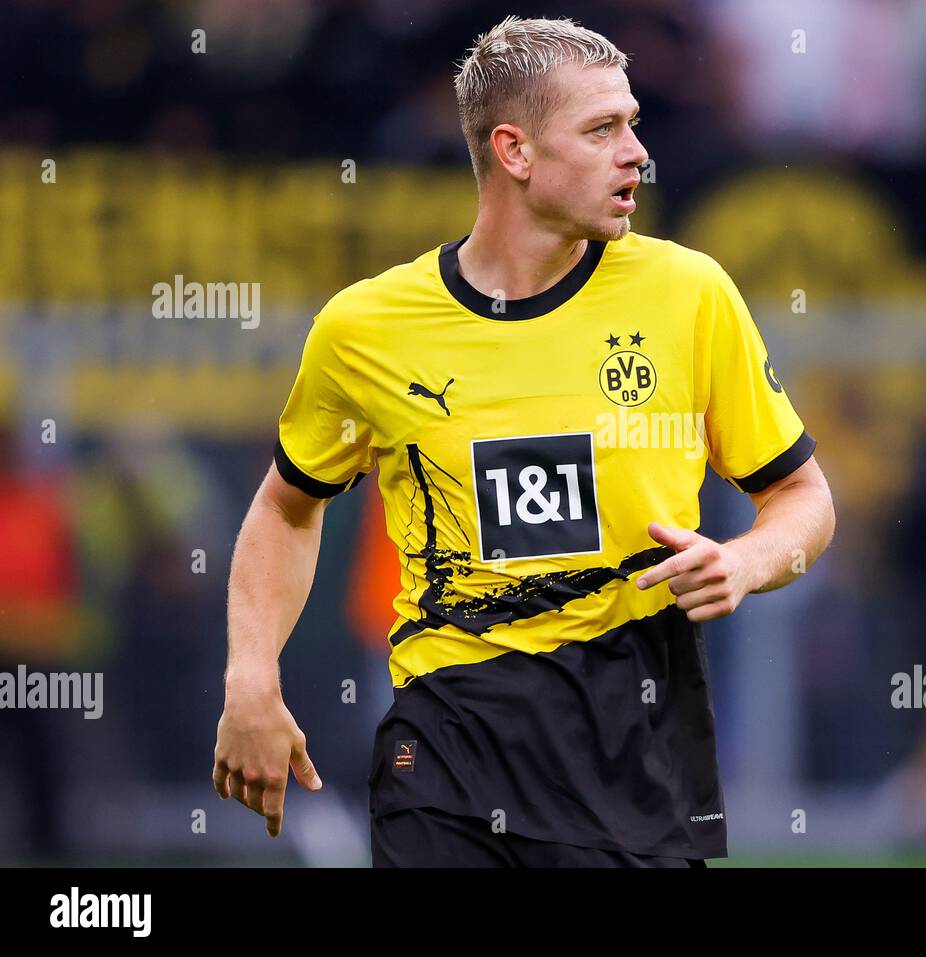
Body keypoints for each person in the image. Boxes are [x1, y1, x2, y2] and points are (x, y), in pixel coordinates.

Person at [212, 15, 834, 868]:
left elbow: (803, 499)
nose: (637, 153)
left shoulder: (690, 295)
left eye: (634, 122)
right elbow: (286, 509)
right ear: (514, 151)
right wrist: (251, 673)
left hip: (634, 749)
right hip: (446, 747)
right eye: (602, 129)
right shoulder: (366, 329)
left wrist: (745, 563)